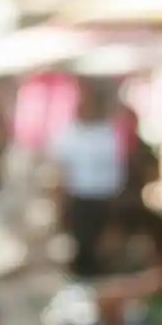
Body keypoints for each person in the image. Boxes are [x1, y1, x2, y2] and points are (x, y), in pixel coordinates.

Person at [48, 79, 126, 278]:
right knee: (81, 250)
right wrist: (59, 209)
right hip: (79, 200)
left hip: (104, 201)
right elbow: (61, 173)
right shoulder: (68, 134)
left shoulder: (108, 132)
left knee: (103, 253)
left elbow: (115, 172)